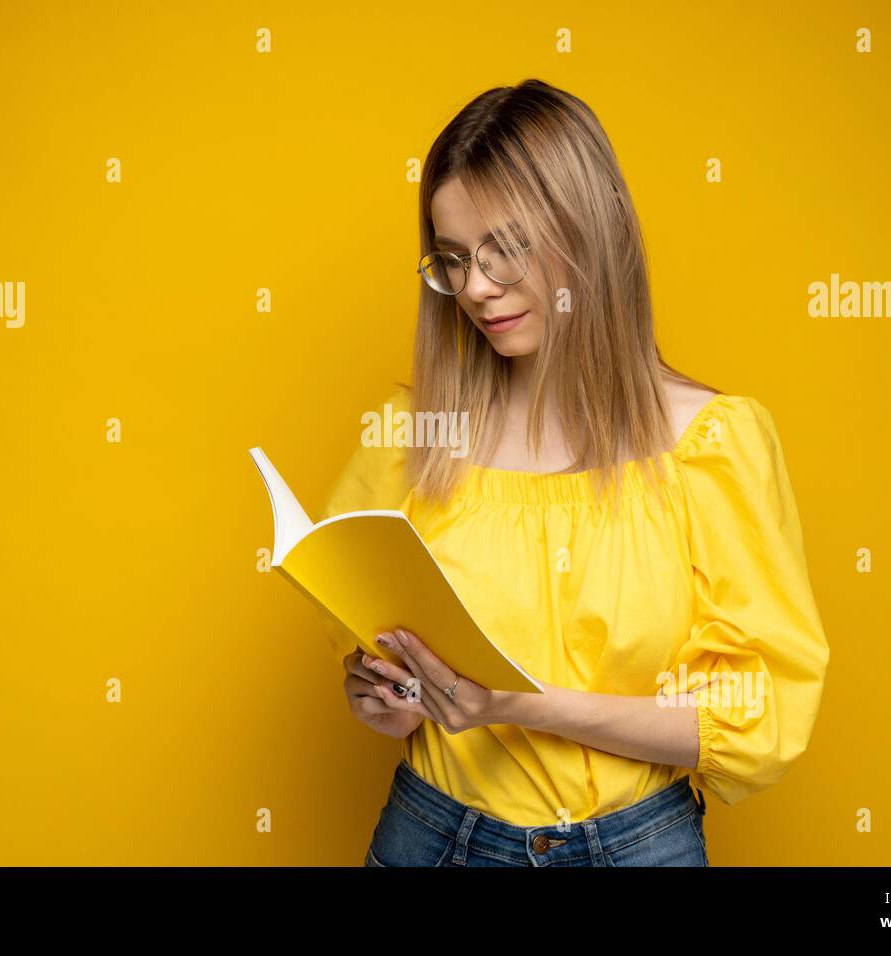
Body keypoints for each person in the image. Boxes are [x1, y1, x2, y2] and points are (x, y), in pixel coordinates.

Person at [319, 78, 830, 867]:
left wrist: (521, 705)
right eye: (453, 260)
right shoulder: (413, 433)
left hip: (638, 847)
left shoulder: (710, 442)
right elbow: (374, 642)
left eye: (505, 248)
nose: (477, 289)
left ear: (587, 232)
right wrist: (385, 696)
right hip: (430, 835)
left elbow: (753, 717)